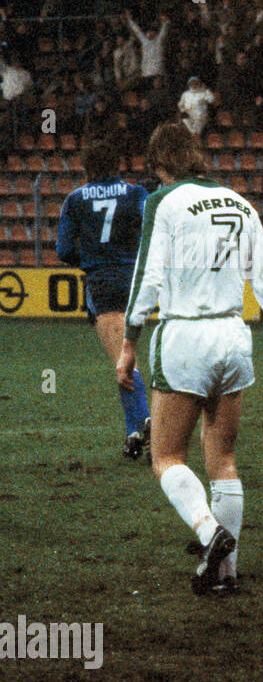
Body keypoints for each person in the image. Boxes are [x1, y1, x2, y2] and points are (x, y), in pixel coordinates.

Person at [115, 122, 263, 596]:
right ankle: (226, 571)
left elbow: (147, 276)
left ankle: (206, 531)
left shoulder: (164, 201)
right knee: (224, 459)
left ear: (160, 165)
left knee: (168, 456)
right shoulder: (241, 203)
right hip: (235, 335)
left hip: (185, 334)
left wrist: (129, 341)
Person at [56, 142, 152, 459]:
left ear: (87, 166)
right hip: (137, 282)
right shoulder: (136, 193)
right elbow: (153, 230)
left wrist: (93, 260)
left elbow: (63, 251)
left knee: (122, 363)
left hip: (103, 283)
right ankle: (134, 434)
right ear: (118, 164)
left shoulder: (74, 200)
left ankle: (147, 422)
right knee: (130, 359)